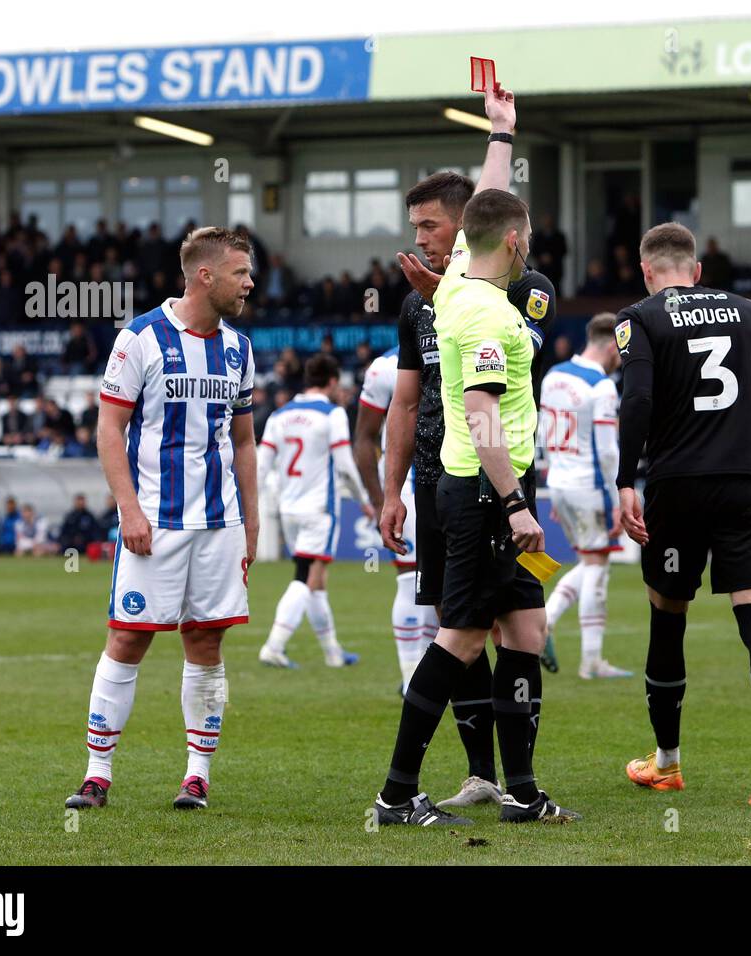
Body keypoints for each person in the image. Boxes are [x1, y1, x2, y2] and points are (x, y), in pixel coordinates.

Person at [372, 82, 577, 827]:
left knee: (526, 630)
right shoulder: (487, 307)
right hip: (484, 492)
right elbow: (484, 413)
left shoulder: (454, 284)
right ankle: (396, 794)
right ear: (516, 244)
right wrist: (519, 504)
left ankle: (519, 790)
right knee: (459, 637)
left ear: (468, 239)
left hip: (487, 485)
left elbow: (487, 203)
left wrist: (501, 132)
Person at [64, 227, 258, 813]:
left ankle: (196, 777)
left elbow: (244, 442)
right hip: (157, 522)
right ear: (205, 275)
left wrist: (252, 523)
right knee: (127, 639)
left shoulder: (239, 348)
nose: (249, 283)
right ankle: (98, 774)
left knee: (205, 640)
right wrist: (129, 507)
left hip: (220, 523)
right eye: (240, 272)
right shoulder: (139, 339)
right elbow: (109, 429)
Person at [616, 221, 751, 805]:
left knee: (668, 619)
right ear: (696, 271)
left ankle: (667, 762)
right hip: (742, 488)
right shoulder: (747, 310)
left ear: (648, 272)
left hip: (675, 489)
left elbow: (638, 400)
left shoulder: (640, 317)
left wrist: (625, 480)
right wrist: (750, 459)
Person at [256, 353, 370, 669]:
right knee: (305, 577)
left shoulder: (280, 416)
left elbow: (262, 465)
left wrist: (253, 503)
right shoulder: (332, 415)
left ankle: (332, 652)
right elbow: (346, 465)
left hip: (287, 508)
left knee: (317, 580)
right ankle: (274, 646)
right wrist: (365, 499)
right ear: (332, 382)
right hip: (319, 509)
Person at [538, 313, 632, 679]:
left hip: (560, 481)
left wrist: (555, 486)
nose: (622, 358)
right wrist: (616, 500)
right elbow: (608, 452)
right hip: (590, 486)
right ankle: (591, 660)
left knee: (590, 560)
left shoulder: (553, 376)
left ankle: (545, 621)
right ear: (611, 345)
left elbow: (544, 434)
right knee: (597, 567)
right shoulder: (603, 386)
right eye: (621, 351)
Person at [353, 346, 439, 692]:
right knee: (410, 579)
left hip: (450, 483)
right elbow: (363, 437)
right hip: (407, 486)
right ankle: (411, 678)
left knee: (440, 585)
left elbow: (362, 439)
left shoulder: (383, 367)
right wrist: (380, 502)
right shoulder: (386, 368)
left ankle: (425, 676)